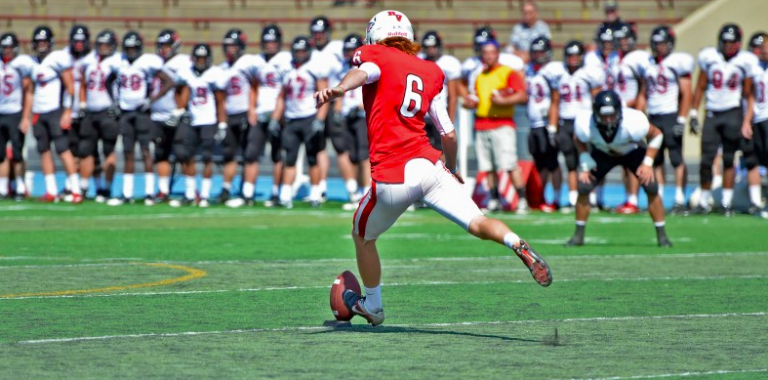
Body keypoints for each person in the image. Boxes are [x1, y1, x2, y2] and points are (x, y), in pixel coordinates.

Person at [314, 10, 552, 326]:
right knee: (479, 222)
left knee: (362, 236)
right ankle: (515, 243)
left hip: (394, 173)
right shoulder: (429, 70)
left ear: (376, 34)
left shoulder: (375, 56)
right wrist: (451, 168)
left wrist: (341, 89)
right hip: (430, 165)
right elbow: (448, 133)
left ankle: (373, 306)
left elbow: (366, 71)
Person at [567, 90, 672, 247]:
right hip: (603, 153)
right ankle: (578, 236)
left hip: (631, 151)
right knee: (584, 186)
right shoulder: (585, 123)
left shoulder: (633, 121)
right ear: (595, 113)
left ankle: (662, 236)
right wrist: (584, 156)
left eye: (612, 114)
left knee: (651, 186)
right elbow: (578, 137)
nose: (609, 119)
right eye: (604, 115)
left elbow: (657, 134)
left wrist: (648, 162)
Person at [690, 24, 755, 216]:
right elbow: (700, 86)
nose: (727, 45)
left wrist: (746, 119)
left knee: (729, 158)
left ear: (738, 43)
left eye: (731, 42)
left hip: (733, 113)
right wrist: (694, 113)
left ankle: (726, 202)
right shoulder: (710, 58)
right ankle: (704, 201)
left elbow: (748, 94)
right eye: (725, 41)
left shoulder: (745, 61)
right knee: (706, 160)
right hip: (712, 112)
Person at [106, 32, 174, 206]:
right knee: (127, 152)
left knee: (145, 151)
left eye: (133, 48)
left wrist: (151, 99)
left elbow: (168, 81)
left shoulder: (147, 62)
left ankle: (149, 193)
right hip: (126, 113)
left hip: (142, 113)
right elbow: (108, 81)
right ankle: (127, 194)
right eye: (128, 48)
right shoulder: (119, 62)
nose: (130, 51)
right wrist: (114, 101)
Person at [462, 39, 529, 213]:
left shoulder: (508, 73)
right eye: (486, 53)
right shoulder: (480, 75)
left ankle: (522, 199)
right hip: (482, 124)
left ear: (498, 54)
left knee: (509, 163)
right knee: (487, 166)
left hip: (502, 124)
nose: (489, 56)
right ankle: (494, 199)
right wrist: (469, 103)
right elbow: (476, 99)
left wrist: (503, 100)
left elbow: (522, 96)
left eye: (492, 52)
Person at [638, 26, 694, 215]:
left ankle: (679, 198)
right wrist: (640, 115)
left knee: (677, 159)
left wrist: (682, 119)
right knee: (657, 160)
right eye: (655, 43)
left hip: (671, 115)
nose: (657, 47)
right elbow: (643, 94)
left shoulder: (678, 62)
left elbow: (687, 93)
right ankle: (659, 197)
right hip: (654, 117)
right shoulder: (648, 64)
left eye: (661, 43)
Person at [273, 36, 331, 208]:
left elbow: (325, 95)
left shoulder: (314, 68)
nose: (300, 54)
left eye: (303, 51)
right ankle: (285, 195)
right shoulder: (287, 69)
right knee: (289, 159)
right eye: (297, 51)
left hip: (309, 118)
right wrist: (275, 119)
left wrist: (320, 119)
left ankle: (315, 194)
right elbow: (282, 97)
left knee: (312, 158)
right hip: (291, 120)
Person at [26, 26, 82, 203]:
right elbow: (30, 92)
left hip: (55, 110)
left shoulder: (58, 58)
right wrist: (28, 115)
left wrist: (67, 112)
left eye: (44, 41)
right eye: (39, 42)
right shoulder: (32, 63)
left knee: (63, 149)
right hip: (38, 112)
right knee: (44, 150)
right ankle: (51, 191)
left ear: (50, 43)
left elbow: (70, 88)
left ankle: (76, 190)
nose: (42, 45)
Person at [548, 41, 604, 212]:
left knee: (591, 161)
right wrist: (552, 127)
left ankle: (594, 198)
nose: (573, 59)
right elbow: (555, 102)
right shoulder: (559, 75)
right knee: (570, 163)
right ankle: (573, 199)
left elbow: (598, 101)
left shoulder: (589, 74)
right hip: (566, 123)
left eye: (576, 56)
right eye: (570, 56)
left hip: (585, 122)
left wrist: (598, 122)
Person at [169, 44, 226, 208]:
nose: (200, 61)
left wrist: (222, 123)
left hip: (208, 120)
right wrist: (180, 109)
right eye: (198, 58)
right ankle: (190, 194)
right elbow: (177, 90)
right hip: (191, 120)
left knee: (207, 158)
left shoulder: (215, 74)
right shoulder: (186, 73)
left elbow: (220, 100)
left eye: (203, 58)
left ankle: (205, 195)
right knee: (187, 156)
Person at [217, 29, 267, 204]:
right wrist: (222, 121)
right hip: (231, 115)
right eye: (228, 46)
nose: (230, 49)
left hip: (246, 113)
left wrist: (252, 109)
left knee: (249, 154)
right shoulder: (222, 68)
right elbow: (221, 97)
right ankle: (226, 189)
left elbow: (256, 85)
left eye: (233, 45)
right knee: (229, 154)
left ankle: (248, 192)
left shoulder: (248, 62)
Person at [77, 29, 121, 202]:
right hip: (90, 112)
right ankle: (85, 188)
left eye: (106, 44)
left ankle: (107, 188)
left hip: (108, 112)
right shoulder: (88, 60)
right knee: (86, 151)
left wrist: (119, 105)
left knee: (108, 150)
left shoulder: (118, 61)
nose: (103, 48)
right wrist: (82, 103)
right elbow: (82, 83)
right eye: (101, 44)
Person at [333, 33, 371, 206]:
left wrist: (362, 106)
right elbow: (340, 91)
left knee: (364, 156)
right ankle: (357, 193)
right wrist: (338, 107)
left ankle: (367, 193)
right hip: (348, 116)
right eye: (347, 50)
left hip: (363, 116)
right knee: (353, 156)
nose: (349, 53)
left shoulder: (369, 67)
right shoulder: (342, 67)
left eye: (352, 50)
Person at [525, 37, 562, 212]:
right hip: (534, 124)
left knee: (552, 162)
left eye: (541, 51)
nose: (538, 55)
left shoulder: (552, 70)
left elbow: (556, 96)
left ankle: (555, 198)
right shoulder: (529, 70)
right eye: (535, 52)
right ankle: (542, 197)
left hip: (548, 123)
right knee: (540, 162)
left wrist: (553, 124)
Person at [0, 32, 34, 201]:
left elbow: (28, 92)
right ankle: (3, 188)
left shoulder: (21, 64)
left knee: (17, 153)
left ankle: (20, 187)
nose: (7, 51)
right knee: (0, 154)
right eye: (4, 47)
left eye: (9, 47)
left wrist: (25, 117)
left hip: (15, 113)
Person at [419, 30, 461, 152]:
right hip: (421, 115)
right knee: (421, 153)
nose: (431, 50)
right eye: (428, 47)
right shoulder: (418, 61)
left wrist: (450, 120)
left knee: (442, 153)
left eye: (433, 47)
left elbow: (453, 96)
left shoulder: (448, 63)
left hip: (439, 113)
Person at [745, 32, 768, 215]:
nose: (763, 52)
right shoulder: (758, 68)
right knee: (762, 162)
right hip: (759, 119)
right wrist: (747, 119)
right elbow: (752, 95)